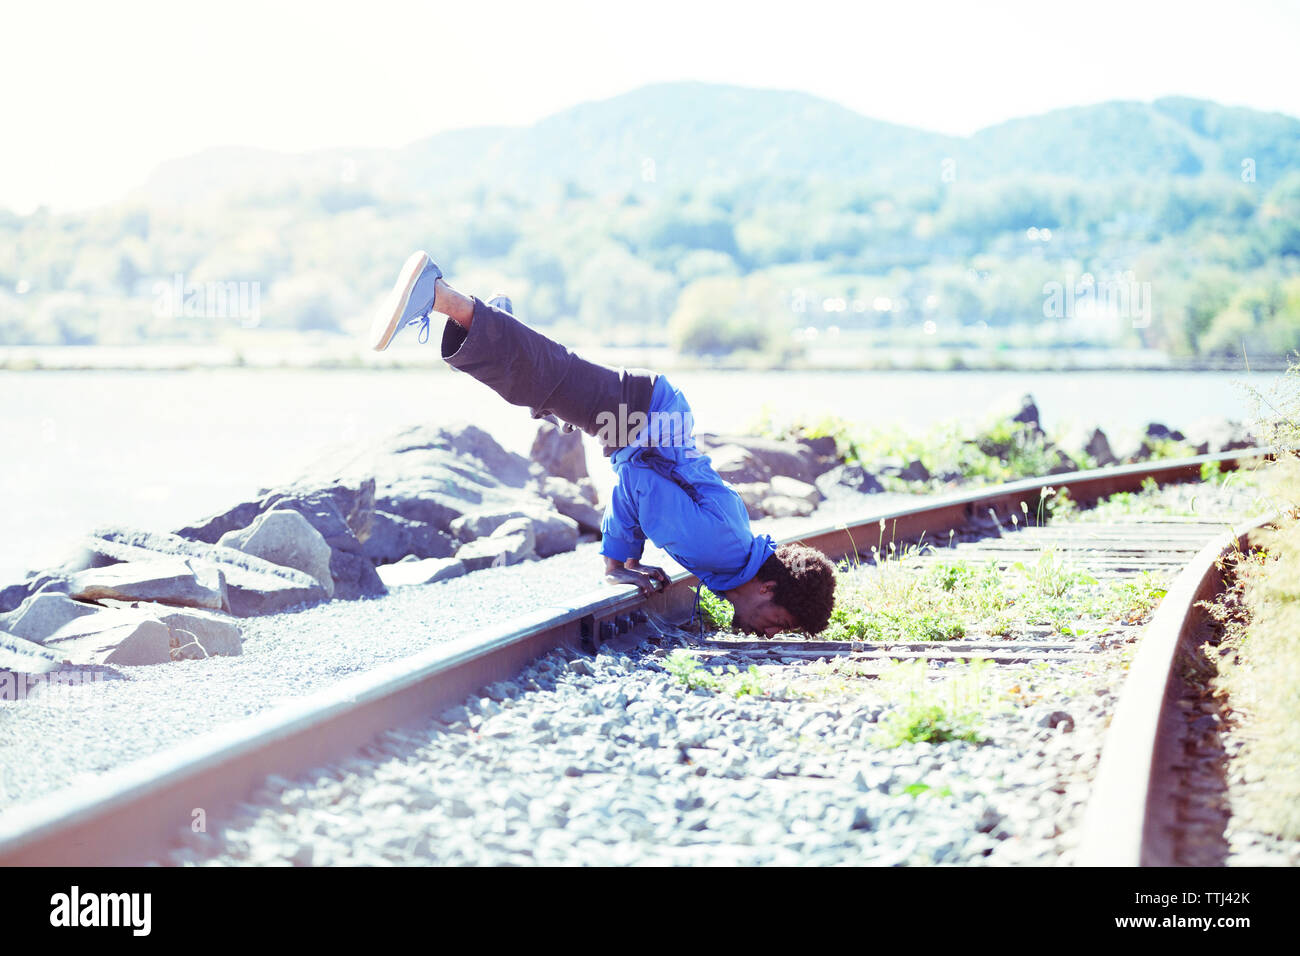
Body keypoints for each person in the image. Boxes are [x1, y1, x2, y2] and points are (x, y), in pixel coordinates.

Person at [369, 251, 837, 637]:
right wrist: (618, 561)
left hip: (646, 419)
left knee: (542, 383)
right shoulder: (719, 550)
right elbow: (639, 483)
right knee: (547, 377)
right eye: (780, 624)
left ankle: (498, 324)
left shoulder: (728, 556)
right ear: (769, 590)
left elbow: (646, 485)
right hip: (643, 419)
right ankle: (437, 294)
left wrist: (627, 556)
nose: (769, 634)